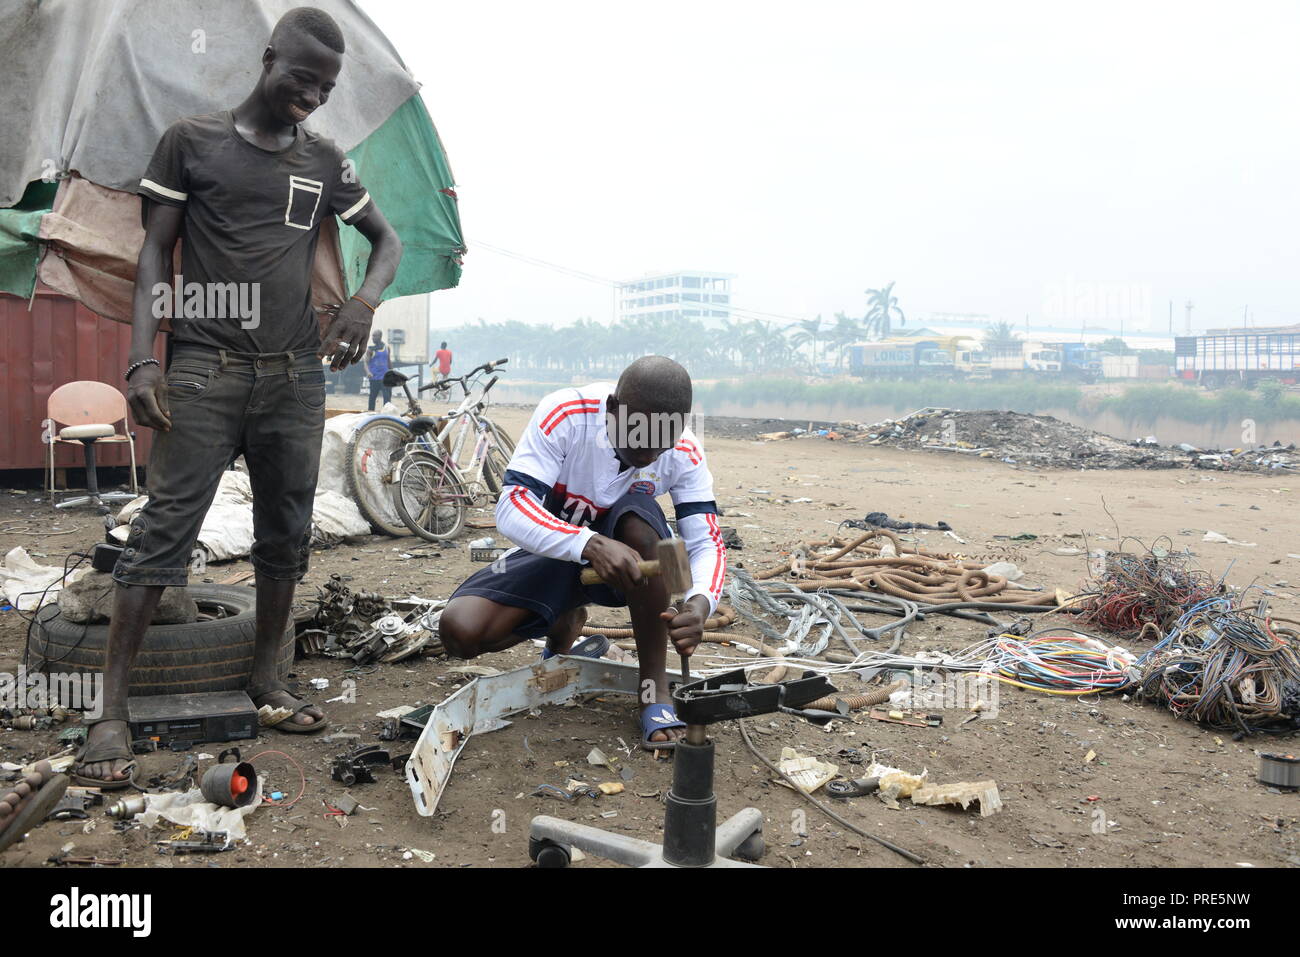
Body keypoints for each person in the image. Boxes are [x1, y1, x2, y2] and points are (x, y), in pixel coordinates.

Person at [75, 7, 403, 789]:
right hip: (202, 368)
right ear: (268, 60)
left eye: (326, 86)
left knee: (285, 537)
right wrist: (141, 363)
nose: (313, 97)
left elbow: (387, 242)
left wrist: (363, 303)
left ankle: (266, 682)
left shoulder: (325, 161)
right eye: (302, 78)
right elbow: (154, 252)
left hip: (295, 376)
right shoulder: (193, 142)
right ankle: (110, 711)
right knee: (163, 535)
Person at [438, 356, 726, 751]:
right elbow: (512, 506)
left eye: (660, 443)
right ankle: (564, 622)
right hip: (560, 553)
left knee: (640, 522)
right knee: (461, 632)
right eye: (634, 438)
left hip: (633, 568)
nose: (647, 454)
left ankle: (653, 689)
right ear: (611, 409)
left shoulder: (685, 451)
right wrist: (587, 543)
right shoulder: (568, 415)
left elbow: (706, 541)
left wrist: (700, 604)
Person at [366, 329, 391, 410]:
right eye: (372, 336)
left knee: (387, 398)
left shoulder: (387, 348)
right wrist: (368, 372)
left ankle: (386, 413)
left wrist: (393, 373)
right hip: (374, 377)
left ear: (380, 336)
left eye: (374, 336)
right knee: (372, 397)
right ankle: (370, 412)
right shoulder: (370, 349)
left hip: (385, 377)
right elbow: (365, 363)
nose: (372, 338)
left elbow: (388, 361)